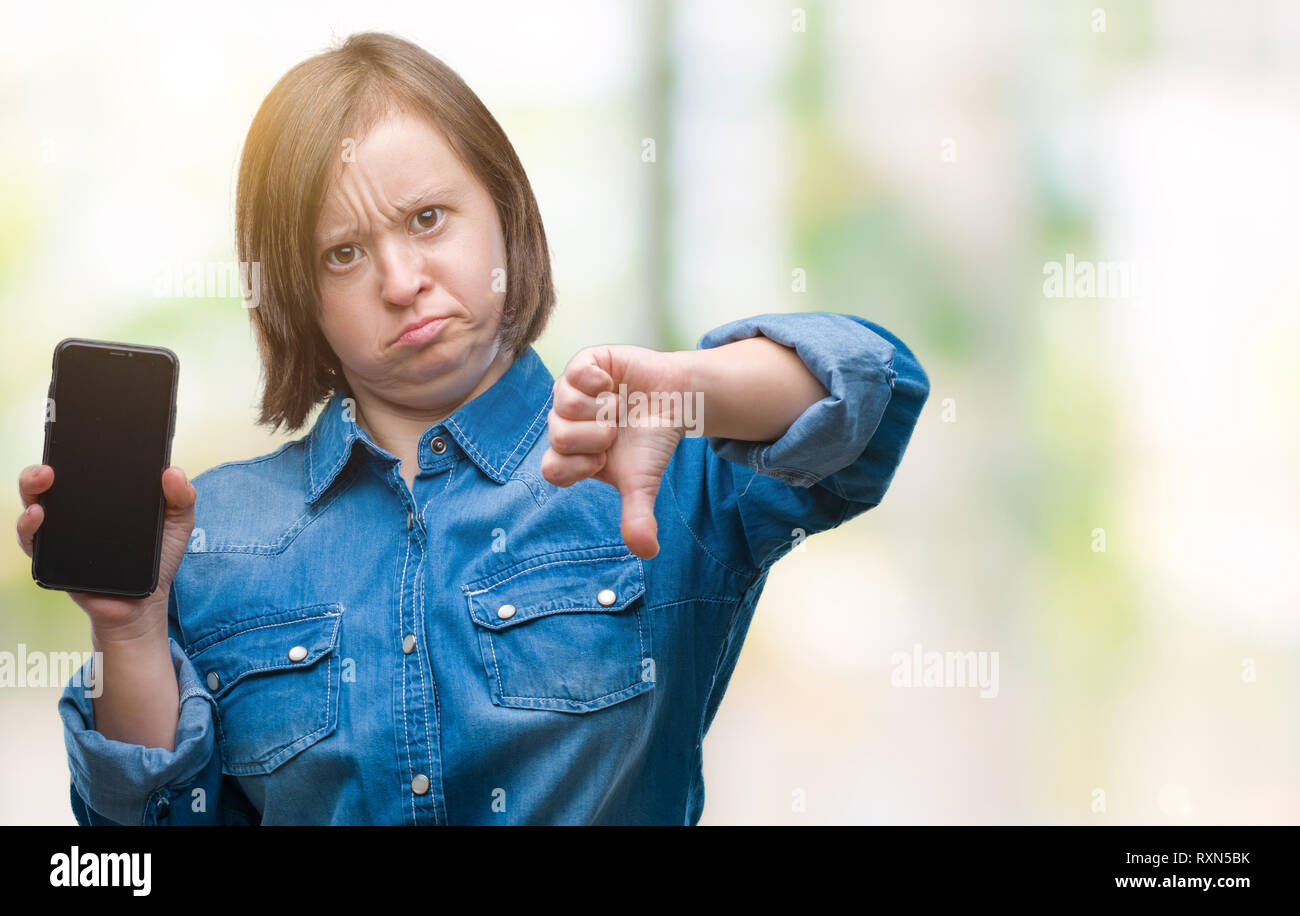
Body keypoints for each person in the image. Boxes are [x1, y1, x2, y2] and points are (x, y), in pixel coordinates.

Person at [17, 31, 928, 825]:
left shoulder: (651, 464)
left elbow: (877, 389)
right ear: (299, 297)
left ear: (504, 210)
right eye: (343, 253)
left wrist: (693, 391)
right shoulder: (209, 540)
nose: (402, 279)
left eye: (427, 218)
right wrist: (130, 633)